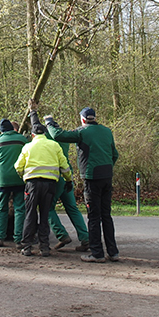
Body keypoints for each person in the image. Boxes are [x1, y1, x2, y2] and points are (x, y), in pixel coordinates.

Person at [31, 103, 119, 263]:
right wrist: (107, 168)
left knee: (93, 216)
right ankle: (112, 252)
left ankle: (97, 253)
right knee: (106, 215)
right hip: (106, 176)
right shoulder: (107, 131)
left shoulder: (81, 132)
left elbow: (58, 135)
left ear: (83, 120)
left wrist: (47, 120)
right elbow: (115, 154)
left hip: (91, 177)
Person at [14, 121, 72, 257]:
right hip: (49, 184)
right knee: (45, 214)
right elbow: (64, 166)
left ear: (33, 134)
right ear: (45, 133)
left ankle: (27, 246)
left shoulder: (28, 147)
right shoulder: (54, 145)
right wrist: (68, 180)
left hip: (32, 184)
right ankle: (44, 247)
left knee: (30, 214)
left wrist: (24, 176)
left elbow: (18, 166)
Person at [44, 118, 89, 251]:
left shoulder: (47, 138)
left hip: (55, 176)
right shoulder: (64, 138)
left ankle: (61, 234)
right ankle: (85, 237)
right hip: (67, 175)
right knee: (72, 208)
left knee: (47, 208)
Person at [0, 119, 29, 248]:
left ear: (1, 130)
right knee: (20, 208)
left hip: (3, 180)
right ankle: (19, 239)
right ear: (13, 129)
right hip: (19, 178)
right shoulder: (23, 140)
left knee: (2, 207)